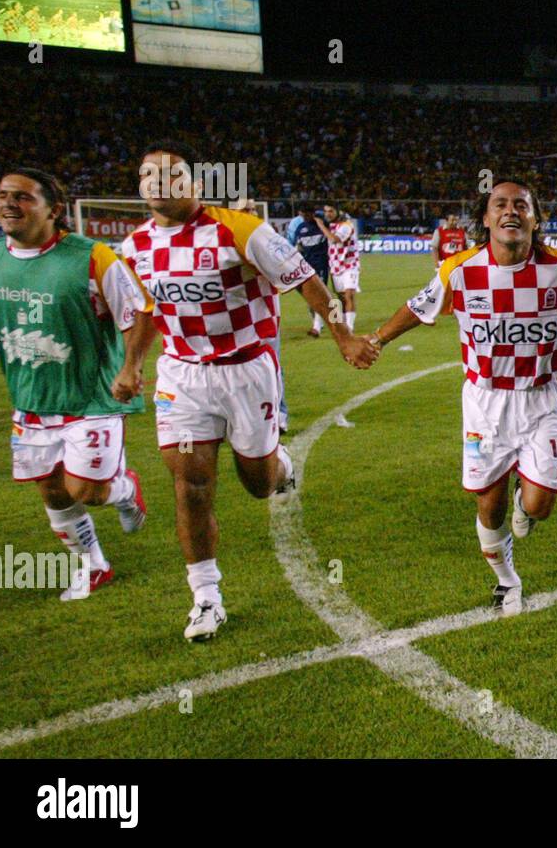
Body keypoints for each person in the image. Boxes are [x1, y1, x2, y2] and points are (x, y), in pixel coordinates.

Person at [363, 181, 557, 615]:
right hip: (485, 403)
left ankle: (525, 498)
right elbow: (418, 308)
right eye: (500, 205)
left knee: (539, 507)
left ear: (535, 219)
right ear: (486, 218)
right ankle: (506, 581)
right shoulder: (459, 269)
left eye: (521, 206)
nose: (511, 212)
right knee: (487, 505)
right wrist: (377, 340)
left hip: (542, 399)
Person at [122, 141, 378, 640]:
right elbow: (149, 310)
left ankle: (280, 464)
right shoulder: (136, 246)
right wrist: (132, 364)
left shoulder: (239, 229)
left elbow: (305, 280)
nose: (158, 182)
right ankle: (206, 598)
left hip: (246, 371)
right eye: (147, 174)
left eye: (171, 174)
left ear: (195, 184)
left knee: (258, 482)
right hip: (183, 377)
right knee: (191, 485)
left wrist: (343, 336)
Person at [0, 168, 155, 600]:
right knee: (54, 492)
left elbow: (139, 312)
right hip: (31, 397)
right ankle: (95, 565)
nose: (8, 203)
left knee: (88, 491)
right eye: (3, 195)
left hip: (91, 397)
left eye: (23, 197)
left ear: (54, 209)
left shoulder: (92, 256)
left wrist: (131, 369)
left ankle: (124, 488)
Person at [317, 203, 360, 332]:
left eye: (331, 211)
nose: (327, 214)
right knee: (340, 297)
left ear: (338, 211)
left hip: (350, 265)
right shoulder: (332, 225)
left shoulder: (347, 226)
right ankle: (342, 323)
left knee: (349, 295)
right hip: (336, 266)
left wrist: (320, 225)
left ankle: (350, 328)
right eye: (326, 212)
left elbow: (335, 239)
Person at [290, 205, 331, 336]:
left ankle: (317, 326)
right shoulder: (300, 228)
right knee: (310, 298)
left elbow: (332, 239)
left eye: (309, 213)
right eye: (304, 213)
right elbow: (299, 247)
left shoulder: (323, 225)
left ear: (314, 213)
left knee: (319, 294)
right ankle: (318, 322)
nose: (307, 216)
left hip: (321, 265)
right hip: (306, 267)